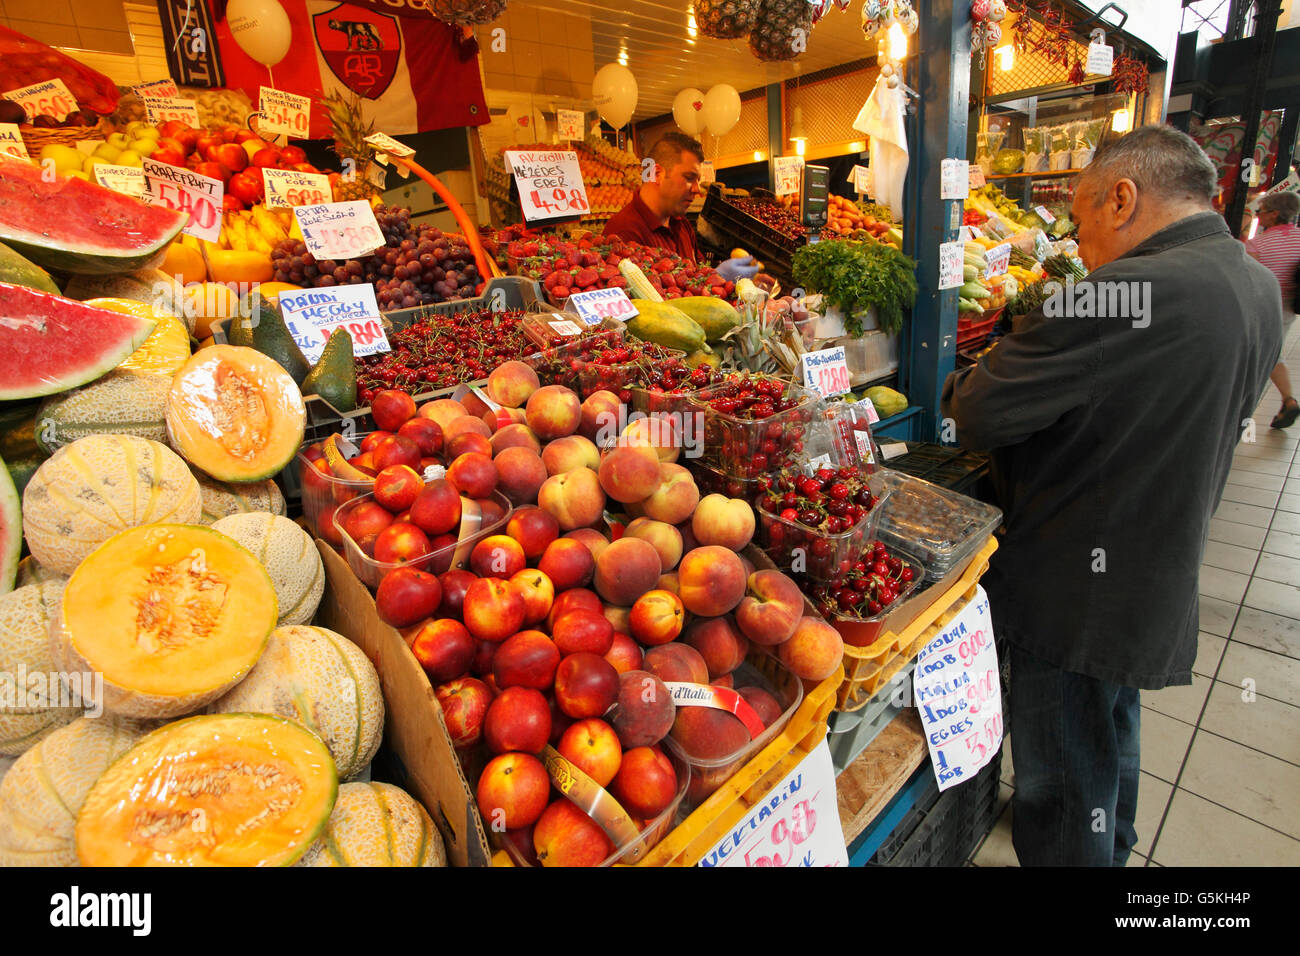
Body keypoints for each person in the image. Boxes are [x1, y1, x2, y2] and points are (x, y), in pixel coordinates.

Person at [941, 126, 1282, 866]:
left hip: (1072, 592)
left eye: (1083, 220)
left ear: (1122, 197)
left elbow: (978, 408)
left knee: (1064, 789)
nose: (1080, 241)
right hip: (1152, 573)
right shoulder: (1253, 279)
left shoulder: (1130, 291)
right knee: (1108, 745)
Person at [604, 131, 756, 282]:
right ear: (657, 174)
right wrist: (719, 276)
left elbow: (699, 274)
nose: (696, 189)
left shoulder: (682, 224)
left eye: (698, 180)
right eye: (689, 178)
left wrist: (722, 278)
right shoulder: (624, 233)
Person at [1242, 191, 1300, 427]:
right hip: (1288, 307)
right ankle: (1288, 401)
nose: (1258, 216)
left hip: (1261, 308)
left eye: (1261, 211)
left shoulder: (1257, 244)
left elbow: (1245, 280)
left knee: (1263, 355)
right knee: (1273, 351)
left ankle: (1283, 401)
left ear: (1274, 214)